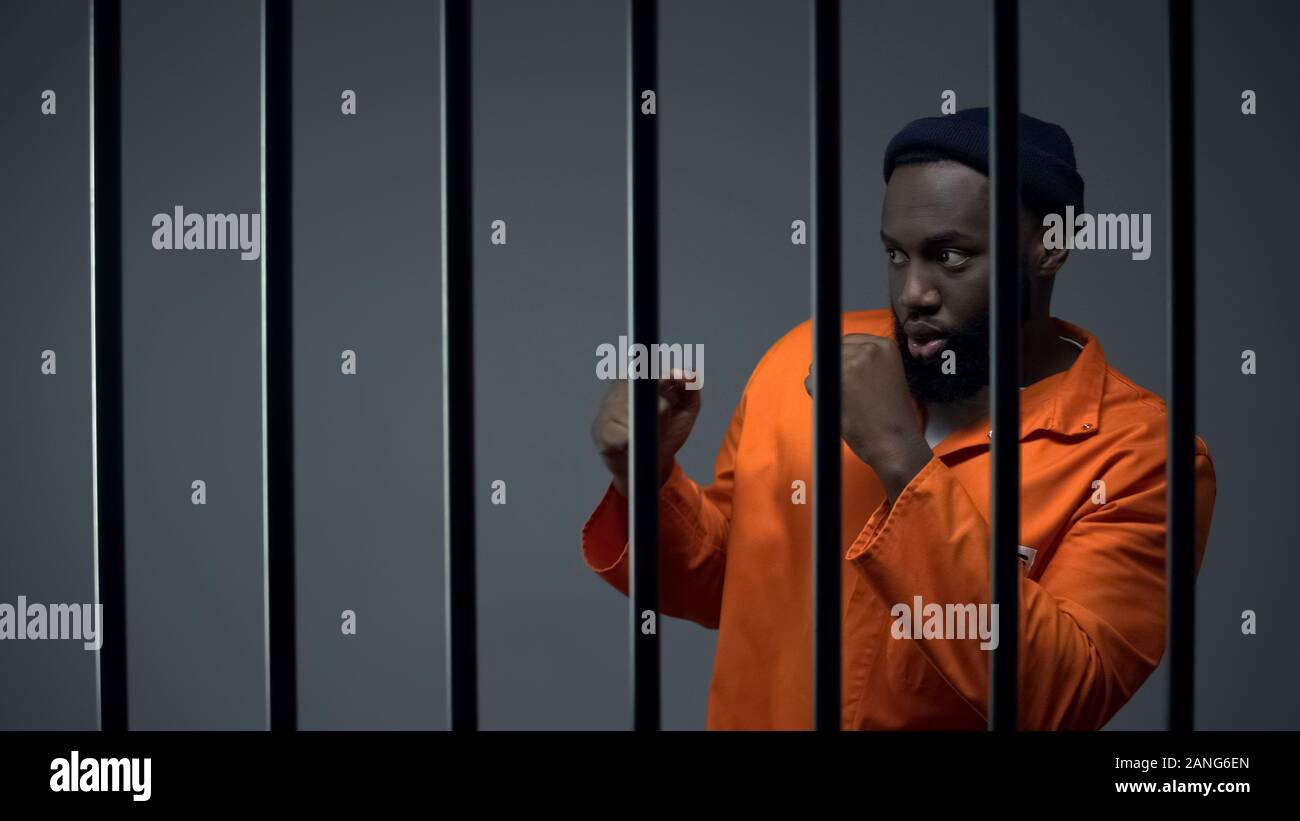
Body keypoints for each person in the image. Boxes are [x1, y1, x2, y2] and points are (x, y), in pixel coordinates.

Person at [583, 108, 1217, 730]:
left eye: (951, 256)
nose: (913, 292)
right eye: (896, 254)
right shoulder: (803, 361)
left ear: (1050, 248)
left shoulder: (1141, 457)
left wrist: (901, 458)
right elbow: (728, 582)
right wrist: (648, 480)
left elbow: (1065, 696)